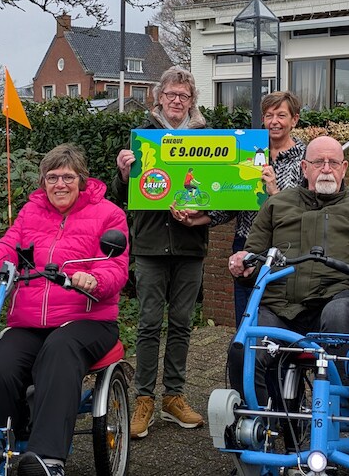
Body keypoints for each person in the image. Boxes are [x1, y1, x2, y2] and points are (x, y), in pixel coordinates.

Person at [0, 144, 129, 476]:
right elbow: (6, 248)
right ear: (43, 181)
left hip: (88, 319)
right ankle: (1, 446)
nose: (60, 184)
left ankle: (47, 459)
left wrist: (93, 279)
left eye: (68, 177)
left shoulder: (109, 214)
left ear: (82, 180)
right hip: (29, 322)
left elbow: (117, 267)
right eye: (52, 177)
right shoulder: (31, 213)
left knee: (59, 352)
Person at [110, 65, 231, 439]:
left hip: (190, 246)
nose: (177, 101)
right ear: (158, 98)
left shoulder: (207, 139)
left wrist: (204, 215)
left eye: (184, 96)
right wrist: (123, 174)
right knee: (148, 323)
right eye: (170, 95)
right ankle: (144, 398)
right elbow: (122, 197)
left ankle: (173, 397)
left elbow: (221, 191)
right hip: (149, 244)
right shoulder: (143, 138)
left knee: (181, 323)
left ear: (192, 101)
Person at [226, 136, 349, 400]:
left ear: (344, 167)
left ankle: (335, 415)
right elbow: (254, 258)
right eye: (318, 162)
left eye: (333, 163)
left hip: (335, 302)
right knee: (241, 350)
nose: (326, 168)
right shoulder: (276, 204)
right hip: (280, 307)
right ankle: (256, 424)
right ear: (305, 168)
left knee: (339, 318)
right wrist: (242, 266)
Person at [230, 91, 307, 326]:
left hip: (288, 248)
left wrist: (274, 191)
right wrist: (197, 217)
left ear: (294, 120)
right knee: (246, 318)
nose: (274, 121)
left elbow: (306, 208)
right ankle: (246, 363)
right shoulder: (248, 151)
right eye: (269, 115)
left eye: (281, 115)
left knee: (281, 318)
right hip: (247, 244)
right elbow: (232, 200)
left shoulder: (305, 158)